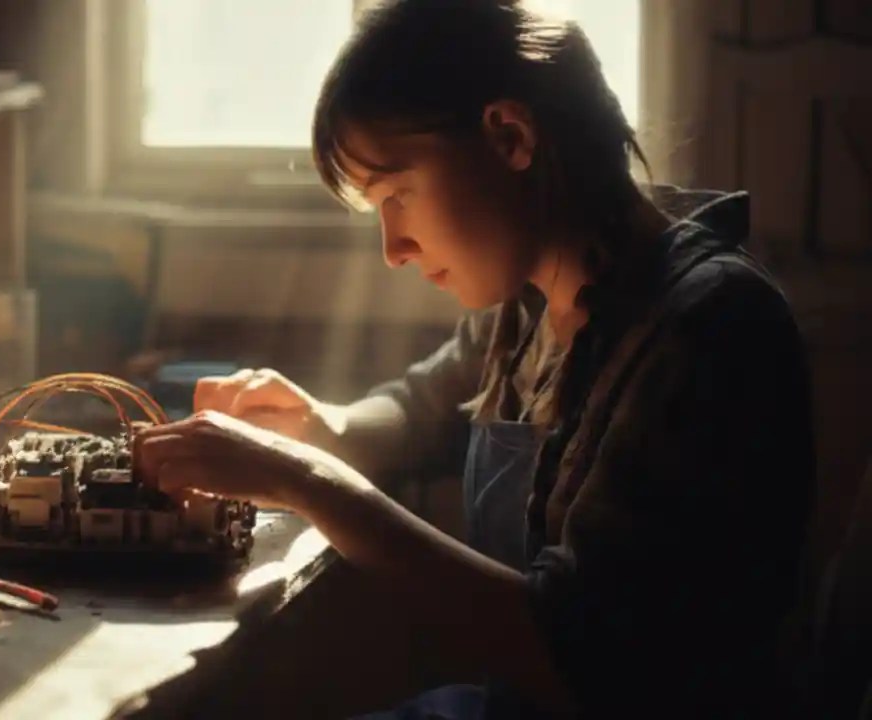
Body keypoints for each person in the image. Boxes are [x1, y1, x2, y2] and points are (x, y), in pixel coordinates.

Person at [134, 1, 816, 718]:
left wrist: (306, 479)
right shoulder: (530, 300)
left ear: (511, 135)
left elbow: (580, 659)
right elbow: (420, 408)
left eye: (397, 195)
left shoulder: (709, 330)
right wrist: (317, 426)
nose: (394, 250)